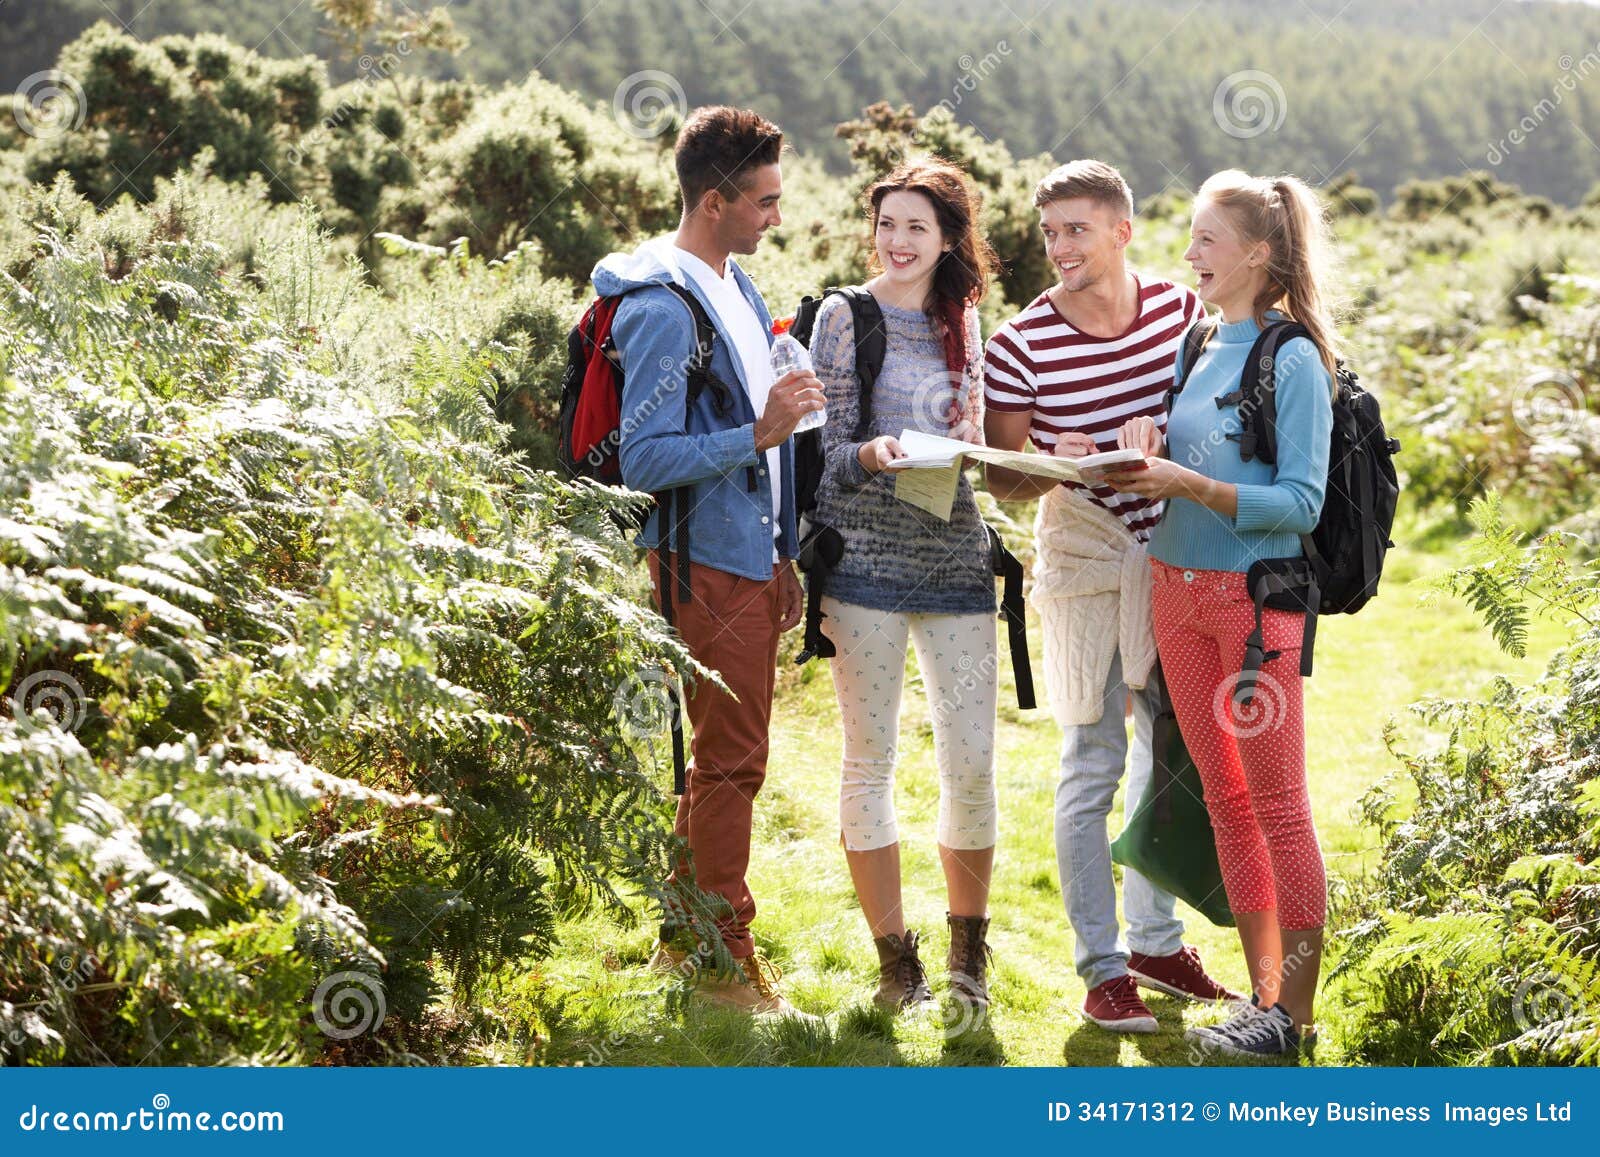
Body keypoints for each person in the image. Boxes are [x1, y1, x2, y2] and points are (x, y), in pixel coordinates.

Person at [982, 160, 1240, 1034]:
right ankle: (1100, 969)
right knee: (1092, 764)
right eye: (1049, 233)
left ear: (1122, 232)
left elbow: (1216, 422)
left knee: (1173, 761)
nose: (1058, 248)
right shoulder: (1020, 344)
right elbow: (1002, 480)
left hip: (1177, 556)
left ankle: (1156, 945)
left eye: (1076, 231)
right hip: (1087, 563)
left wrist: (1164, 434)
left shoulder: (1177, 313)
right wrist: (1062, 451)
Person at [594, 106, 823, 1017]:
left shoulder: (729, 285)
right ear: (715, 199)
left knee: (721, 762)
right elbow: (642, 458)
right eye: (763, 201)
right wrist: (756, 432)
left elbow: (756, 447)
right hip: (702, 564)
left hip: (747, 557)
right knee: (734, 762)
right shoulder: (659, 303)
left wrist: (784, 553)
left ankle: (679, 938)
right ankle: (727, 965)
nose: (776, 216)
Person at [1103, 169, 1336, 1060]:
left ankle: (1296, 1019)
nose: (1189, 253)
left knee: (1279, 804)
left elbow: (1301, 502)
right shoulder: (1196, 344)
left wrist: (1189, 483)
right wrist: (1147, 448)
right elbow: (1186, 448)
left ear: (1259, 253)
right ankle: (1264, 1003)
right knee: (1229, 805)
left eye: (1205, 238)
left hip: (1251, 607)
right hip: (1174, 589)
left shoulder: (1297, 357)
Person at [808, 158, 1000, 1012]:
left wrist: (972, 446)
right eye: (888, 223)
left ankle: (969, 957)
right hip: (862, 570)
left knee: (972, 765)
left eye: (917, 226)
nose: (898, 240)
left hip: (956, 564)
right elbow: (822, 456)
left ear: (949, 238)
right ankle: (898, 962)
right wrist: (873, 453)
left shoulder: (968, 321)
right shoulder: (844, 317)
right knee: (869, 761)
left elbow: (979, 451)